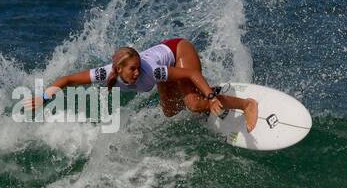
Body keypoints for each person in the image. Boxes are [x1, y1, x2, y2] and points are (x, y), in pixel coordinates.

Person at [30, 38, 257, 130]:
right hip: (167, 65)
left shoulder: (151, 71)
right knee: (170, 111)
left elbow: (189, 73)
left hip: (179, 50)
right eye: (132, 69)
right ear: (118, 70)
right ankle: (202, 100)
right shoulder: (105, 73)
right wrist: (44, 97)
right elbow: (68, 80)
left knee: (194, 104)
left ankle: (245, 104)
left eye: (139, 67)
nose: (137, 73)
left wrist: (208, 96)